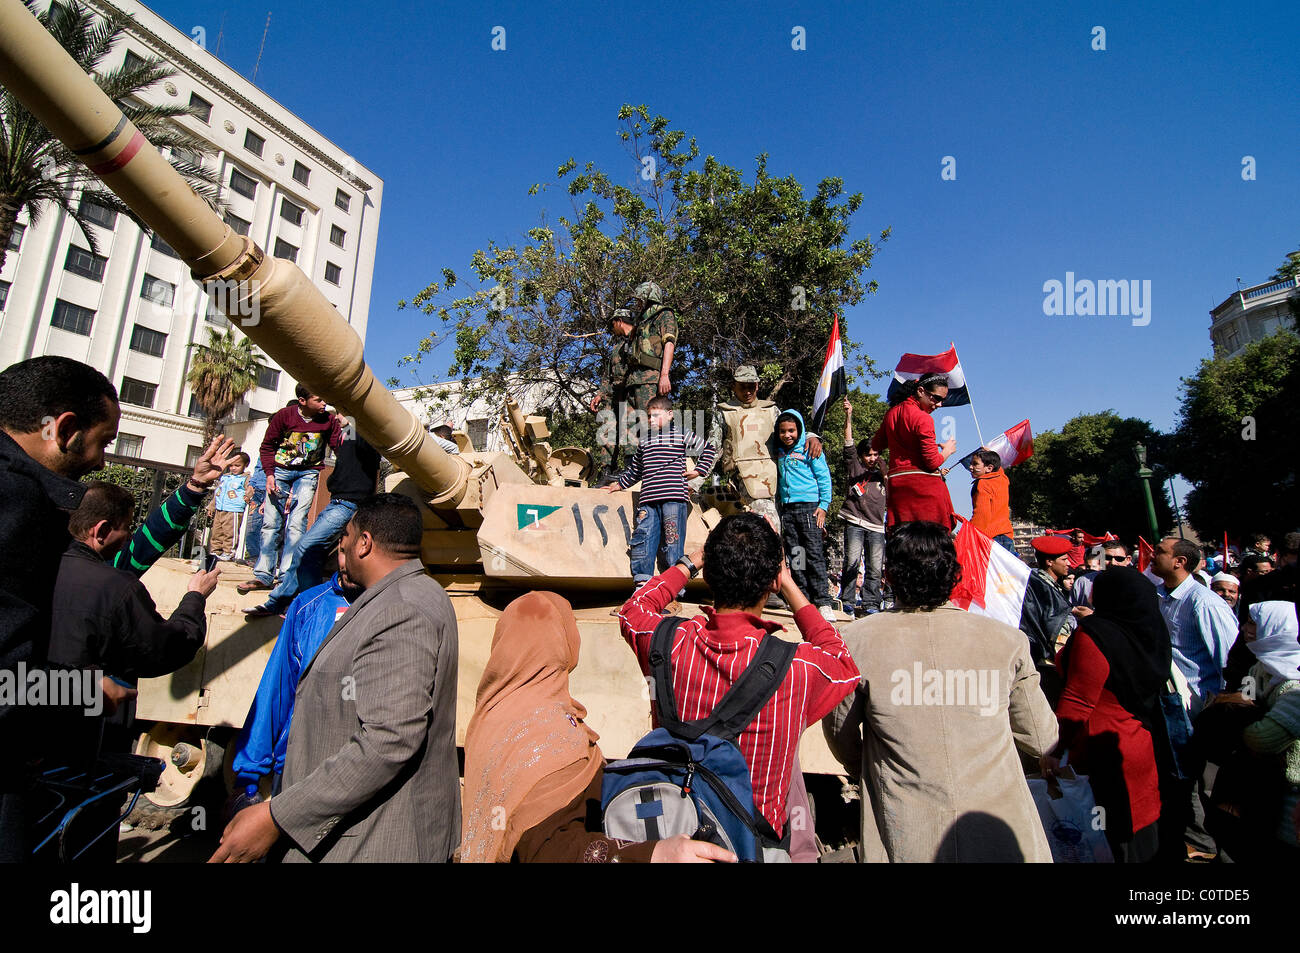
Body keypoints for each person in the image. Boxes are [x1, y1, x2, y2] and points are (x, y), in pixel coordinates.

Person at [210, 494, 460, 863]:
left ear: (365, 543)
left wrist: (279, 817)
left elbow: (389, 739)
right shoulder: (400, 597)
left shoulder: (401, 608)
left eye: (346, 534)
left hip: (369, 841)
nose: (340, 543)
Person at [616, 513, 859, 848]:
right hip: (749, 845)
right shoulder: (799, 668)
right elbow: (841, 660)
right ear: (773, 581)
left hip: (672, 839)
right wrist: (788, 584)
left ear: (710, 575)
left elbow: (634, 608)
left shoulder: (663, 641)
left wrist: (693, 560)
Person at [824, 521, 1058, 862]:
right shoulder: (1008, 642)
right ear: (955, 574)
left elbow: (840, 734)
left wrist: (868, 763)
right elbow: (1040, 738)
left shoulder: (856, 642)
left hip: (907, 828)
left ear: (888, 576)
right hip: (1000, 831)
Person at [461, 591, 733, 863]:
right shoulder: (553, 735)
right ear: (561, 642)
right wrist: (652, 854)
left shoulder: (489, 714)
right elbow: (546, 848)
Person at [45, 482, 220, 859]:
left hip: (34, 735)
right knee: (87, 833)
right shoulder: (117, 587)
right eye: (126, 528)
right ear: (102, 531)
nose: (129, 538)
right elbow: (164, 649)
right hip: (95, 739)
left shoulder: (34, 570)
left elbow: (148, 542)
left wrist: (193, 488)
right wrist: (194, 600)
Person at [0, 356, 119, 862]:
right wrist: (82, 689)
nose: (101, 461)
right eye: (104, 442)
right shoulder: (18, 500)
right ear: (66, 430)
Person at [1046, 567, 1170, 862]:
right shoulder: (1149, 627)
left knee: (1110, 836)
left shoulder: (1096, 635)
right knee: (1140, 829)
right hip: (1139, 740)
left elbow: (1079, 700)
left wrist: (1056, 749)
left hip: (1100, 749)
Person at [230, 570, 359, 798]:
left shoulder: (395, 607)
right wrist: (250, 768)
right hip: (297, 767)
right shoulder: (309, 605)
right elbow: (276, 687)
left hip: (359, 770)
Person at [1151, 534, 1238, 860]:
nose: (1152, 555)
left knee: (1207, 785)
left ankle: (1215, 850)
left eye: (1159, 552)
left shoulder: (1204, 603)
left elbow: (1229, 660)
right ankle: (1199, 846)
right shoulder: (1162, 596)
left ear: (1179, 561)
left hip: (1203, 711)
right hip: (1176, 708)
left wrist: (1222, 708)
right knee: (1185, 782)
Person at [244, 430, 381, 617]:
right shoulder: (345, 433)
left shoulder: (360, 430)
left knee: (306, 548)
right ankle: (307, 605)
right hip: (338, 500)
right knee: (313, 554)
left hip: (348, 502)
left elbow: (375, 465)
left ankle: (281, 602)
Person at [240, 385, 343, 596]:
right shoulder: (285, 416)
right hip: (280, 471)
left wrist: (349, 418)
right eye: (318, 399)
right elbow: (267, 446)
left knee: (296, 524)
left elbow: (342, 446)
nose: (324, 404)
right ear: (302, 401)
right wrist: (269, 475)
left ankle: (286, 577)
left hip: (308, 473)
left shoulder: (328, 420)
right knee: (271, 522)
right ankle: (263, 575)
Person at [606, 395, 716, 588]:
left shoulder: (681, 434)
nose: (651, 420)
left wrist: (699, 470)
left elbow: (708, 448)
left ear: (670, 415)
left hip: (673, 498)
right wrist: (619, 485)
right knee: (643, 540)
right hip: (648, 499)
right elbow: (636, 471)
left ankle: (672, 588)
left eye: (656, 415)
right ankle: (642, 585)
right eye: (649, 416)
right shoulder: (644, 441)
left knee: (672, 544)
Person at [706, 364, 824, 535]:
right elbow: (713, 447)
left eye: (751, 387)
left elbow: (791, 432)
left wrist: (811, 437)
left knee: (773, 533)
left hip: (775, 483)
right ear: (733, 386)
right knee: (755, 534)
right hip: (741, 485)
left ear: (757, 386)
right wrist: (696, 480)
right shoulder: (723, 413)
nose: (747, 392)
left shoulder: (771, 410)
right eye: (742, 387)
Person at [589, 282, 678, 482]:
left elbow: (669, 343)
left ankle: (654, 471)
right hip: (633, 381)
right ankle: (631, 470)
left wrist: (664, 375)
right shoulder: (641, 322)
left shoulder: (664, 315)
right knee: (630, 426)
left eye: (639, 299)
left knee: (649, 424)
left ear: (649, 297)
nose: (637, 303)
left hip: (649, 379)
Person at [1238, 602, 1300, 860]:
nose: (1246, 628)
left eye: (1254, 622)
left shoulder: (1293, 683)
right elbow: (1245, 697)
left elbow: (1261, 738)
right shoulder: (1260, 665)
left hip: (1290, 793)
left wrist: (1240, 720)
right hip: (1265, 782)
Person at [870, 373, 957, 530]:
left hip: (898, 490)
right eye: (936, 398)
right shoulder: (923, 418)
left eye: (943, 400)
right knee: (931, 545)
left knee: (903, 544)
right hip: (924, 491)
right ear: (921, 391)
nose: (939, 405)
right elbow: (932, 463)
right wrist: (947, 451)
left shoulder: (891, 413)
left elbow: (876, 444)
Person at [775, 409, 835, 618]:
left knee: (814, 553)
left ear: (799, 430)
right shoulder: (779, 450)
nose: (787, 435)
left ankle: (823, 602)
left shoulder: (811, 449)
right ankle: (803, 600)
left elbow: (824, 478)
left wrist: (824, 505)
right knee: (796, 556)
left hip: (810, 508)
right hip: (788, 510)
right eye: (783, 431)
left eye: (792, 430)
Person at [838, 396, 886, 617]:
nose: (872, 458)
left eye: (875, 454)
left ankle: (871, 603)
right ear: (861, 456)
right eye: (868, 454)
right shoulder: (854, 466)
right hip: (855, 522)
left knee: (875, 566)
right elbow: (848, 441)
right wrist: (849, 415)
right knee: (852, 561)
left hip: (877, 526)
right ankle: (846, 599)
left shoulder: (884, 473)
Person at [1019, 535, 1076, 677]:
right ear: (1049, 562)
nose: (1068, 563)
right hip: (1048, 662)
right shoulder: (1042, 588)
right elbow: (1054, 627)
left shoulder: (1048, 585)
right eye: (1064, 559)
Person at [968, 449, 1015, 553]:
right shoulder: (1003, 479)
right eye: (971, 464)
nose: (970, 467)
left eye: (975, 464)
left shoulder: (982, 484)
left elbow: (981, 515)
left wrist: (969, 535)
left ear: (989, 468)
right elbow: (1000, 470)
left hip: (991, 538)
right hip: (1007, 536)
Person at [207, 452, 249, 559]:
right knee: (216, 532)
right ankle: (215, 551)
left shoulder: (246, 478)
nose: (233, 468)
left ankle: (228, 552)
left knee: (230, 532)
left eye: (237, 465)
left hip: (233, 509)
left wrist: (248, 498)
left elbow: (250, 490)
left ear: (246, 465)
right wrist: (211, 507)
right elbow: (217, 492)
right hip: (220, 508)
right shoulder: (225, 477)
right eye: (231, 465)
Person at [1071, 541, 1132, 607]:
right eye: (1107, 558)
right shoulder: (1083, 582)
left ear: (1128, 560)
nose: (1113, 563)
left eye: (1119, 559)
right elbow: (1070, 613)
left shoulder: (1136, 583)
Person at [239, 456, 267, 567]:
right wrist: (251, 485)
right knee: (252, 526)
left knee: (270, 527)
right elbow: (258, 468)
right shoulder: (264, 451)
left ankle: (268, 561)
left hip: (272, 490)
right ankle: (253, 556)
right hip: (257, 492)